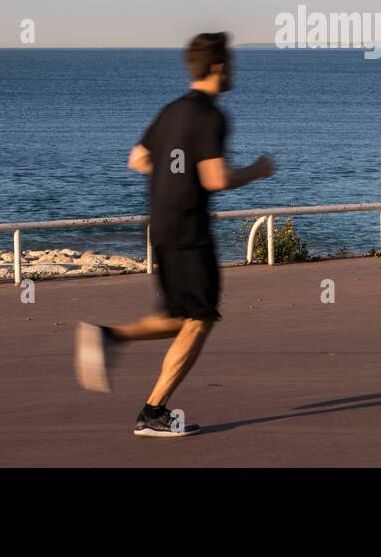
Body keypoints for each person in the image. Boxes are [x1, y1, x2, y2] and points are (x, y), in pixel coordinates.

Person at [75, 32, 275, 437]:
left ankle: (107, 336)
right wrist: (257, 170)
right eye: (231, 64)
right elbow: (216, 178)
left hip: (161, 227)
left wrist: (174, 173)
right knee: (200, 319)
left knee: (179, 319)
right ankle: (152, 412)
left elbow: (138, 158)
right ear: (218, 67)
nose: (234, 71)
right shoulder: (211, 115)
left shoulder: (171, 111)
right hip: (188, 230)